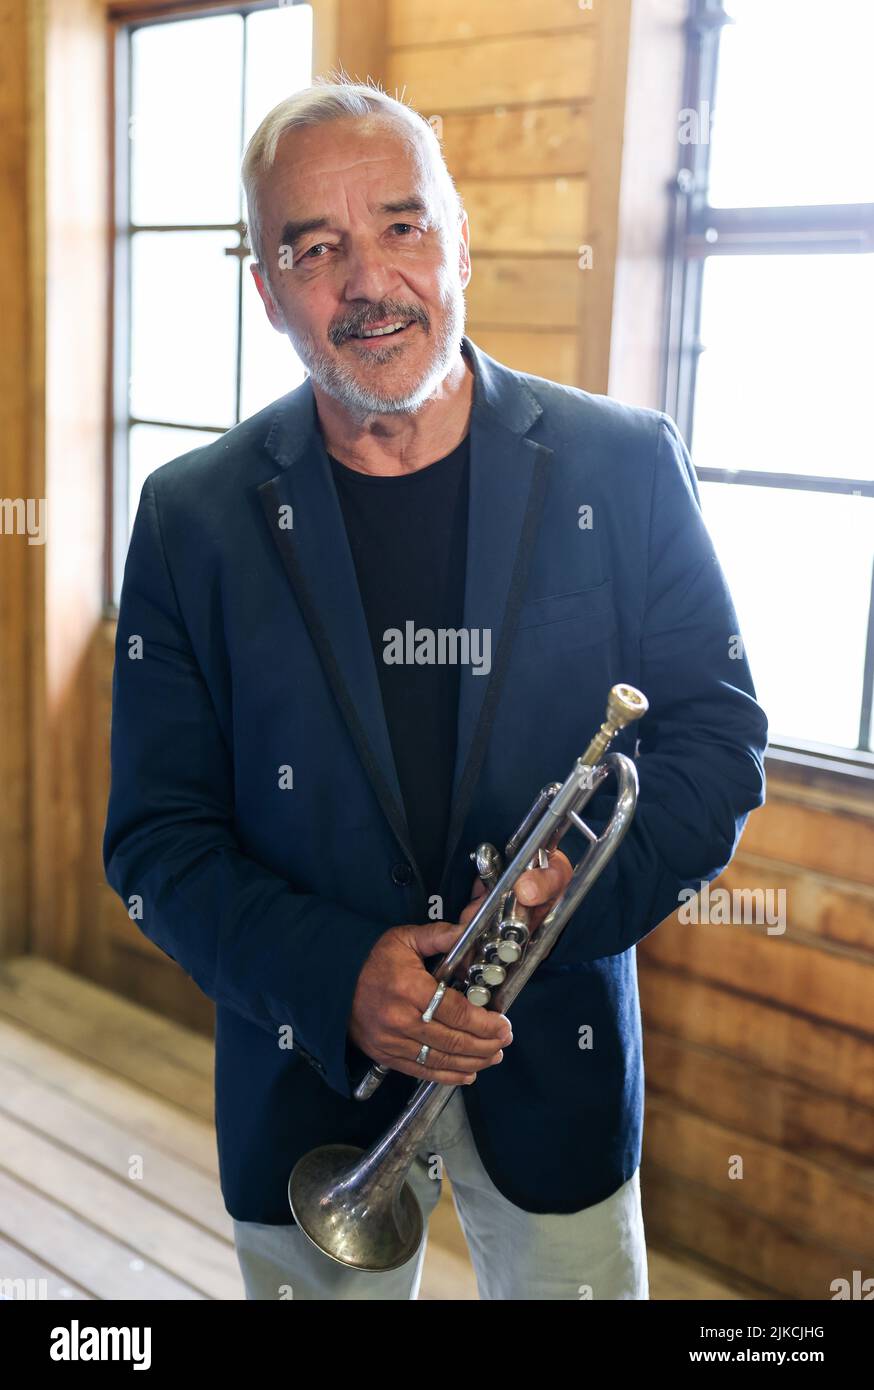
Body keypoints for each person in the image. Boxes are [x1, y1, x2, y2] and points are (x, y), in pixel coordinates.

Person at [103, 79, 768, 1301]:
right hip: (310, 1086)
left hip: (552, 1065)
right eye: (314, 247)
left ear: (458, 242)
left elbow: (717, 740)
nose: (366, 280)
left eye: (402, 227)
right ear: (269, 291)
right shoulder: (190, 517)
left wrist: (571, 899)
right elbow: (155, 842)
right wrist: (335, 974)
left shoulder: (621, 465)